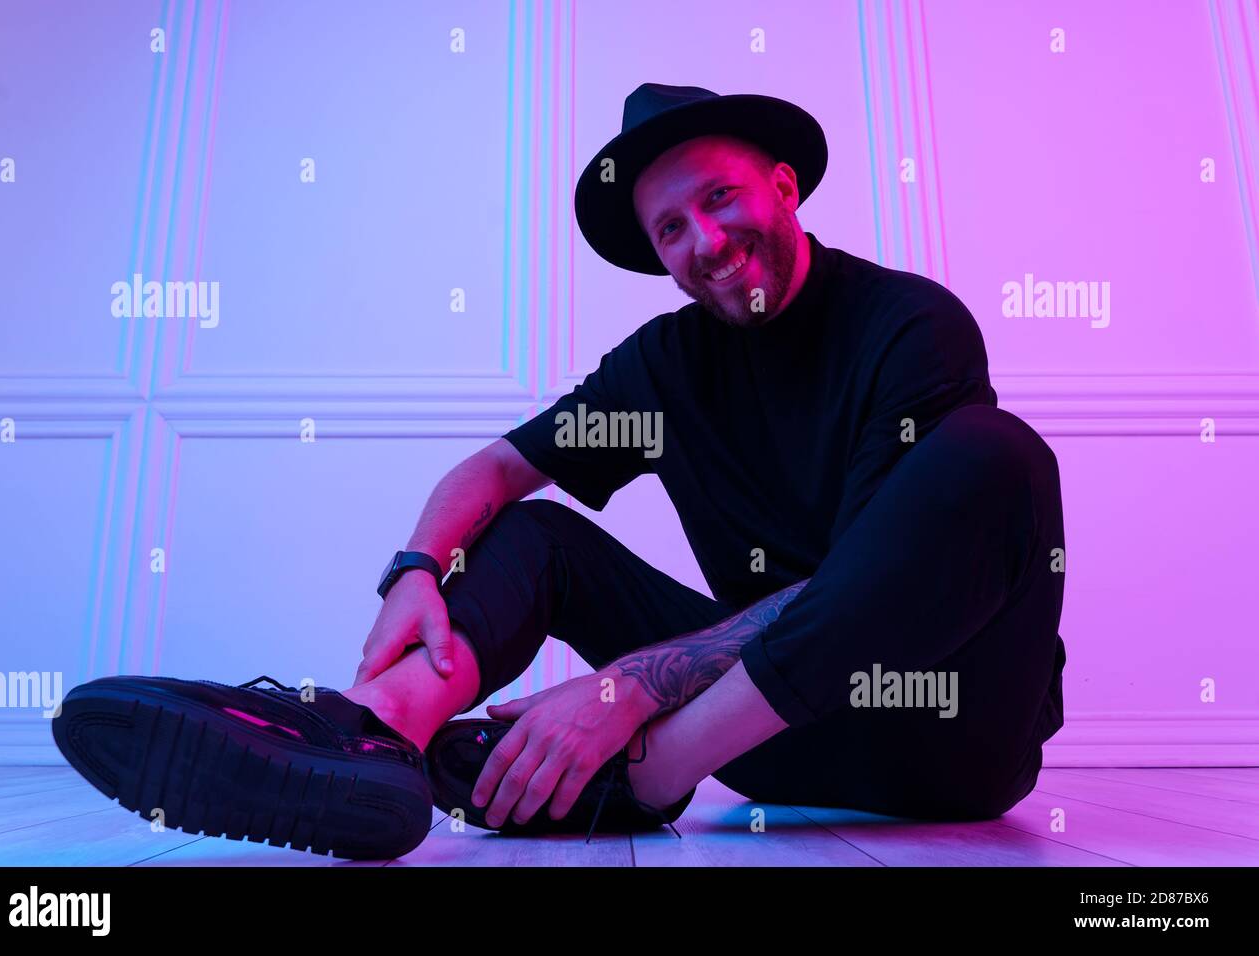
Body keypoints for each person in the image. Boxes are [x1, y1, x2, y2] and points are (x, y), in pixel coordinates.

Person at [53, 83, 1067, 862]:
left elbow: (863, 587)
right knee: (534, 535)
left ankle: (647, 769)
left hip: (949, 730)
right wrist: (413, 565)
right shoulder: (667, 362)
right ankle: (372, 735)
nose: (705, 241)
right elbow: (492, 471)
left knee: (995, 455)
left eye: (720, 198)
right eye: (672, 228)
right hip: (760, 735)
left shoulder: (908, 326)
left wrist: (626, 691)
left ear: (783, 186)